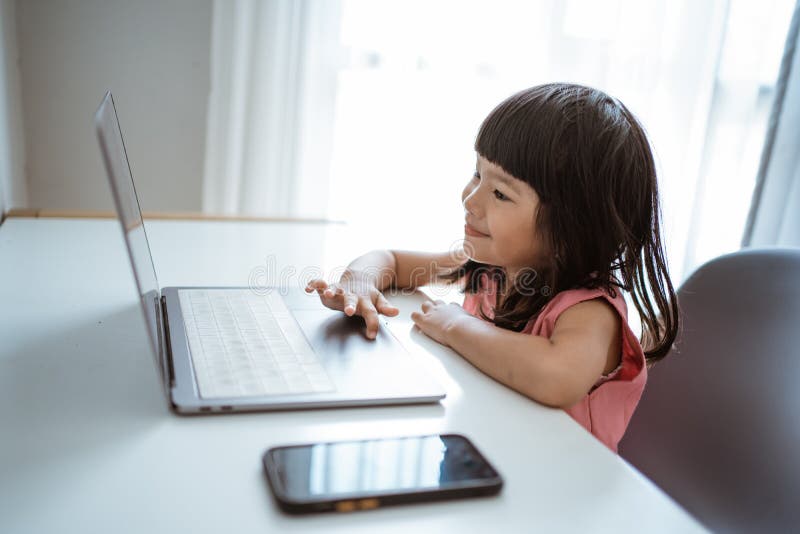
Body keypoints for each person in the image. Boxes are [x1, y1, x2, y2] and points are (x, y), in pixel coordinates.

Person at [305, 83, 679, 452]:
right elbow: (393, 261)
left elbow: (557, 377)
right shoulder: (493, 268)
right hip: (489, 453)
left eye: (500, 193)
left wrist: (455, 325)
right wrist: (358, 284)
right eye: (477, 174)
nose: (471, 199)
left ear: (573, 228)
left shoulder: (590, 312)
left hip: (558, 489)